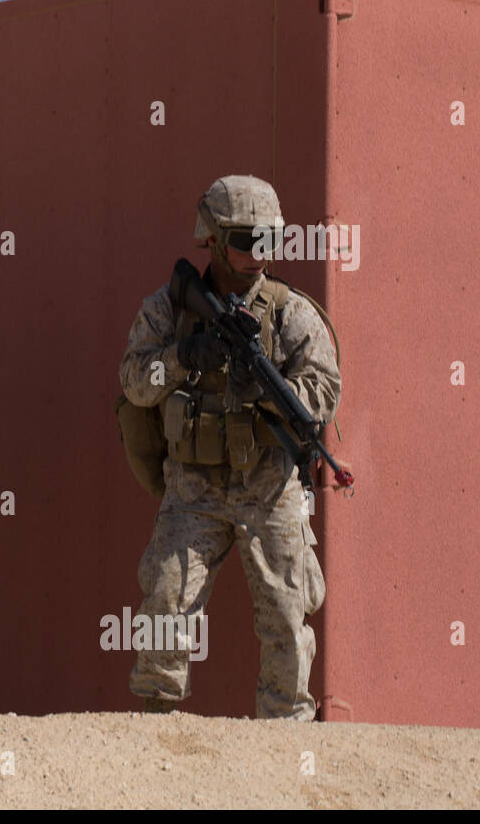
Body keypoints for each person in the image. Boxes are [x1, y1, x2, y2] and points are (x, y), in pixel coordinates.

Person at [119, 176, 340, 720]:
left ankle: (286, 742)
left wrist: (266, 391)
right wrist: (183, 356)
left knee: (288, 618)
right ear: (212, 240)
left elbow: (324, 389)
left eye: (269, 241)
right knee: (166, 605)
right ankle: (156, 730)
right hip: (193, 487)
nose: (258, 255)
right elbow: (134, 383)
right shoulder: (169, 310)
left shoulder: (291, 313)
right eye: (246, 241)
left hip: (269, 486)